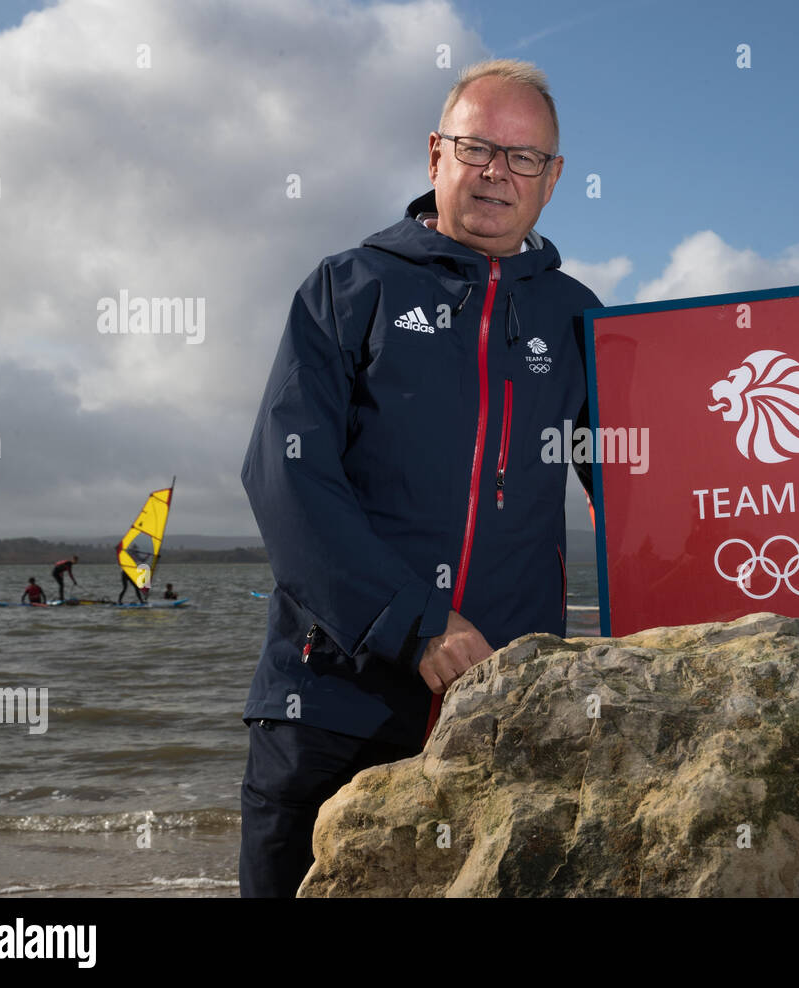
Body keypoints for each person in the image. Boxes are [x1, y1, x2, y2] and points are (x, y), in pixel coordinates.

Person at [238, 59, 598, 898]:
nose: (496, 173)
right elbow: (286, 479)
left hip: (504, 710)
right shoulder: (346, 287)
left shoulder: (581, 318)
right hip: (328, 703)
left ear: (552, 180)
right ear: (436, 154)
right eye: (477, 148)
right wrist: (416, 624)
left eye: (523, 158)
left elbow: (642, 488)